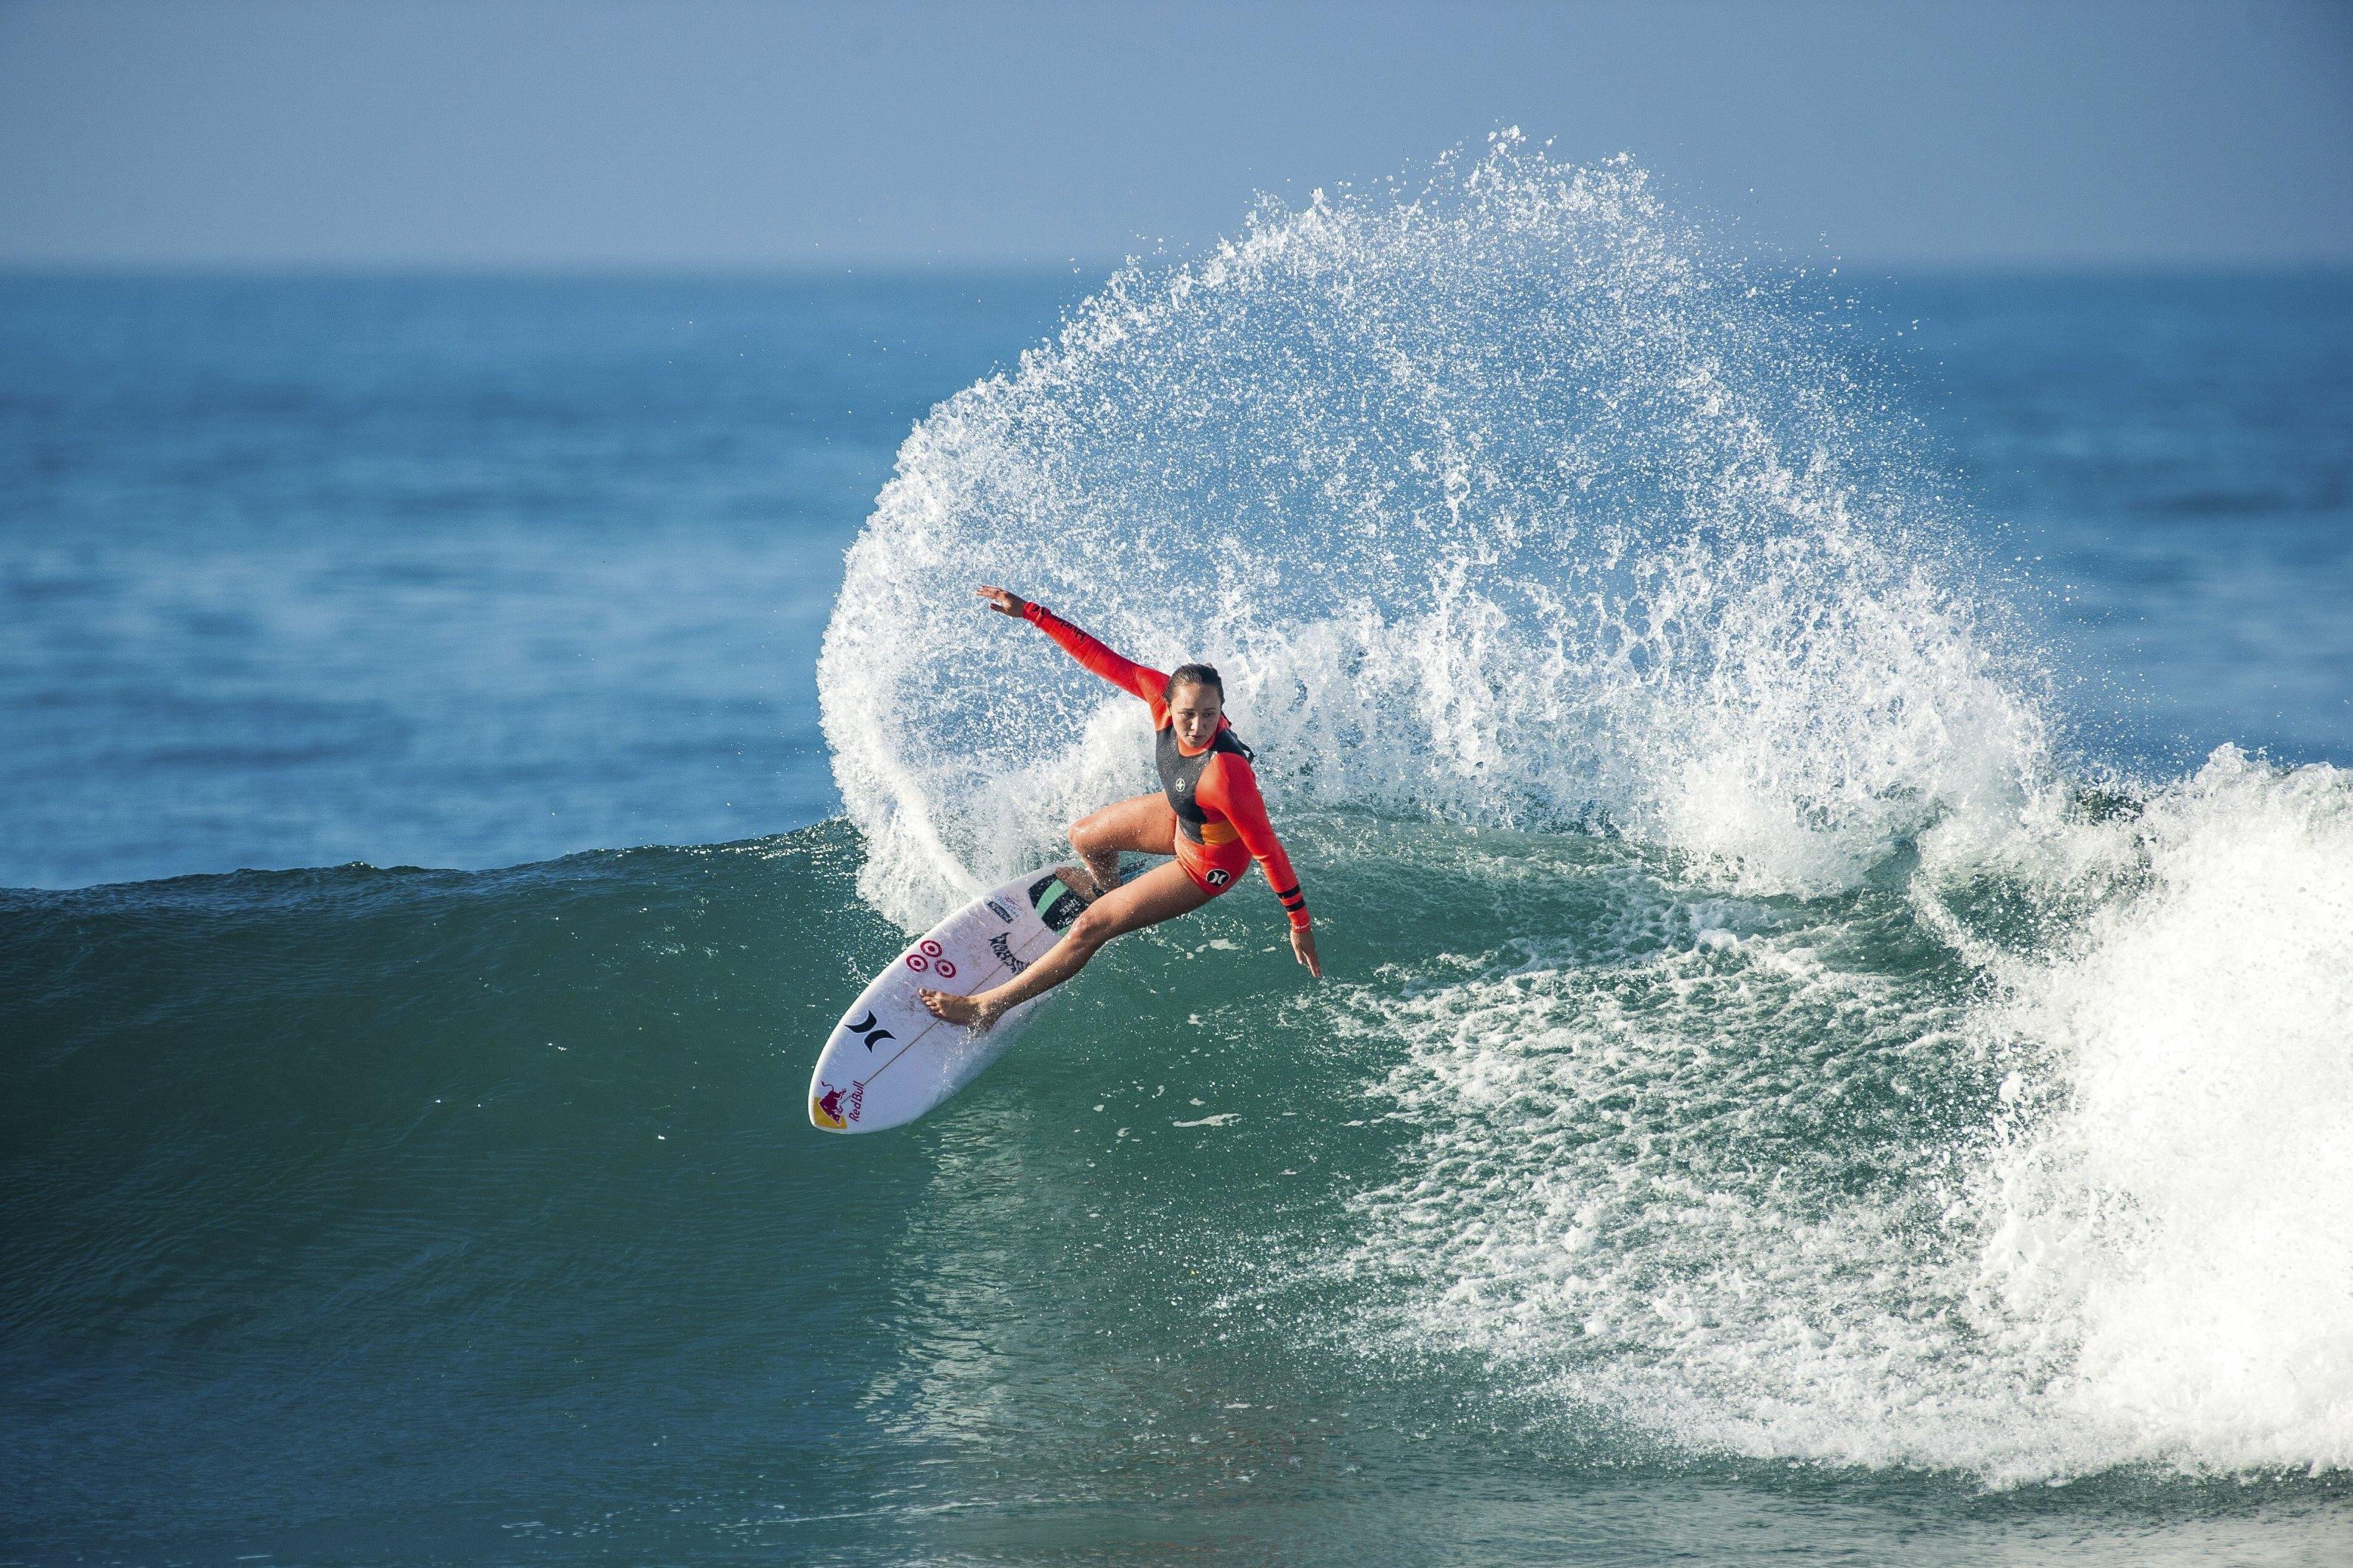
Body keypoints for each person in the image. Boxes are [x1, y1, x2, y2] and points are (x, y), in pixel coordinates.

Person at [918, 586, 1321, 1026]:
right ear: (1167, 703)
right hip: (1184, 817)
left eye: (1210, 714)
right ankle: (1106, 886)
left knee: (1090, 927)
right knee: (1083, 836)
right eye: (1188, 713)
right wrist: (1032, 613)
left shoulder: (1226, 776)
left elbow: (1267, 849)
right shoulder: (1160, 702)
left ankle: (986, 1007)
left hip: (1206, 864)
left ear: (1221, 709)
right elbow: (1099, 658)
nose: (1198, 726)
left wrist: (1298, 922)